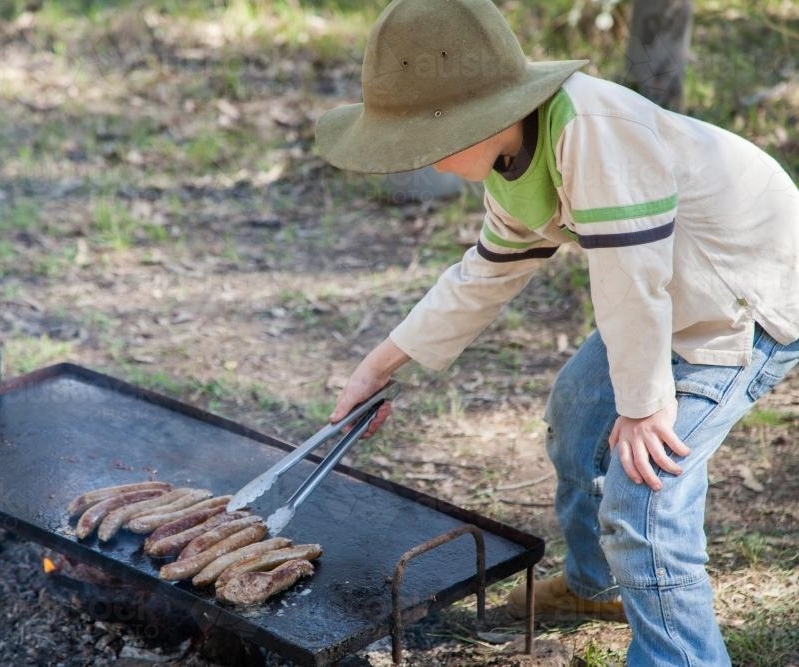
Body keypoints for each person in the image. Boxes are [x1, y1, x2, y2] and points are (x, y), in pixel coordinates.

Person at [314, 0, 799, 665]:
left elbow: (632, 272)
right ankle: (595, 586)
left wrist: (644, 403)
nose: (417, 160)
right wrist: (381, 362)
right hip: (668, 294)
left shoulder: (593, 130)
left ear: (481, 116)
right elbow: (488, 270)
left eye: (422, 141)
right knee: (577, 412)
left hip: (744, 297)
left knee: (644, 496)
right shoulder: (511, 154)